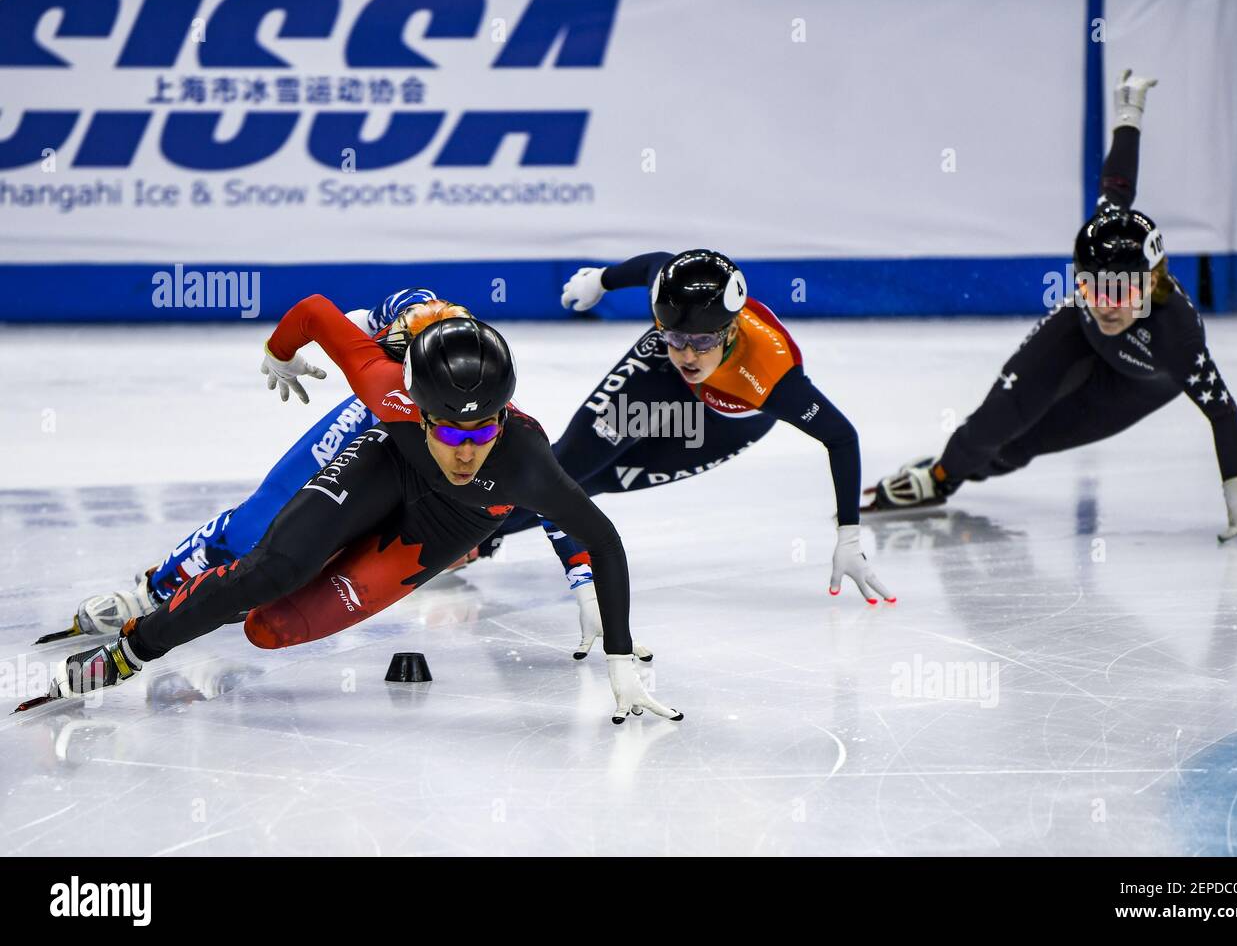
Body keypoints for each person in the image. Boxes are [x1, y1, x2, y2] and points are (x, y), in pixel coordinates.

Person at [27, 304, 681, 725]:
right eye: (451, 433)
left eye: (483, 432)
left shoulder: (523, 461)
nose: (468, 450)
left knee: (271, 628)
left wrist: (620, 660)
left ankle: (194, 601)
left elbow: (603, 539)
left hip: (444, 530)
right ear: (414, 408)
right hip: (385, 463)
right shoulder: (382, 385)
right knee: (271, 568)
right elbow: (313, 312)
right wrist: (278, 354)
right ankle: (134, 645)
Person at [863, 70, 1237, 545]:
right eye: (1091, 289)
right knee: (999, 418)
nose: (1107, 307)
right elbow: (1119, 178)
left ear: (1152, 284)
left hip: (1137, 385)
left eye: (1122, 294)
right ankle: (939, 478)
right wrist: (1129, 110)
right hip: (1076, 338)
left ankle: (964, 471)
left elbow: (1224, 413)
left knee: (1027, 443)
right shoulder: (1106, 235)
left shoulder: (1179, 336)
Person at [481, 248, 894, 658]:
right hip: (658, 379)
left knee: (602, 480)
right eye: (676, 337)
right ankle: (471, 525)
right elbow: (654, 262)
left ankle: (480, 536)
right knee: (567, 466)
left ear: (730, 330)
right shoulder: (674, 304)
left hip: (723, 423)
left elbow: (841, 437)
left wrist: (849, 535)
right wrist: (602, 280)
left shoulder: (773, 377)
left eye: (702, 341)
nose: (689, 355)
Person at [43, 288, 464, 645]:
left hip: (436, 447)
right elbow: (327, 317)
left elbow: (524, 470)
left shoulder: (482, 403)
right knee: (257, 523)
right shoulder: (410, 312)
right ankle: (155, 590)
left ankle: (476, 544)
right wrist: (280, 351)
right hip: (378, 415)